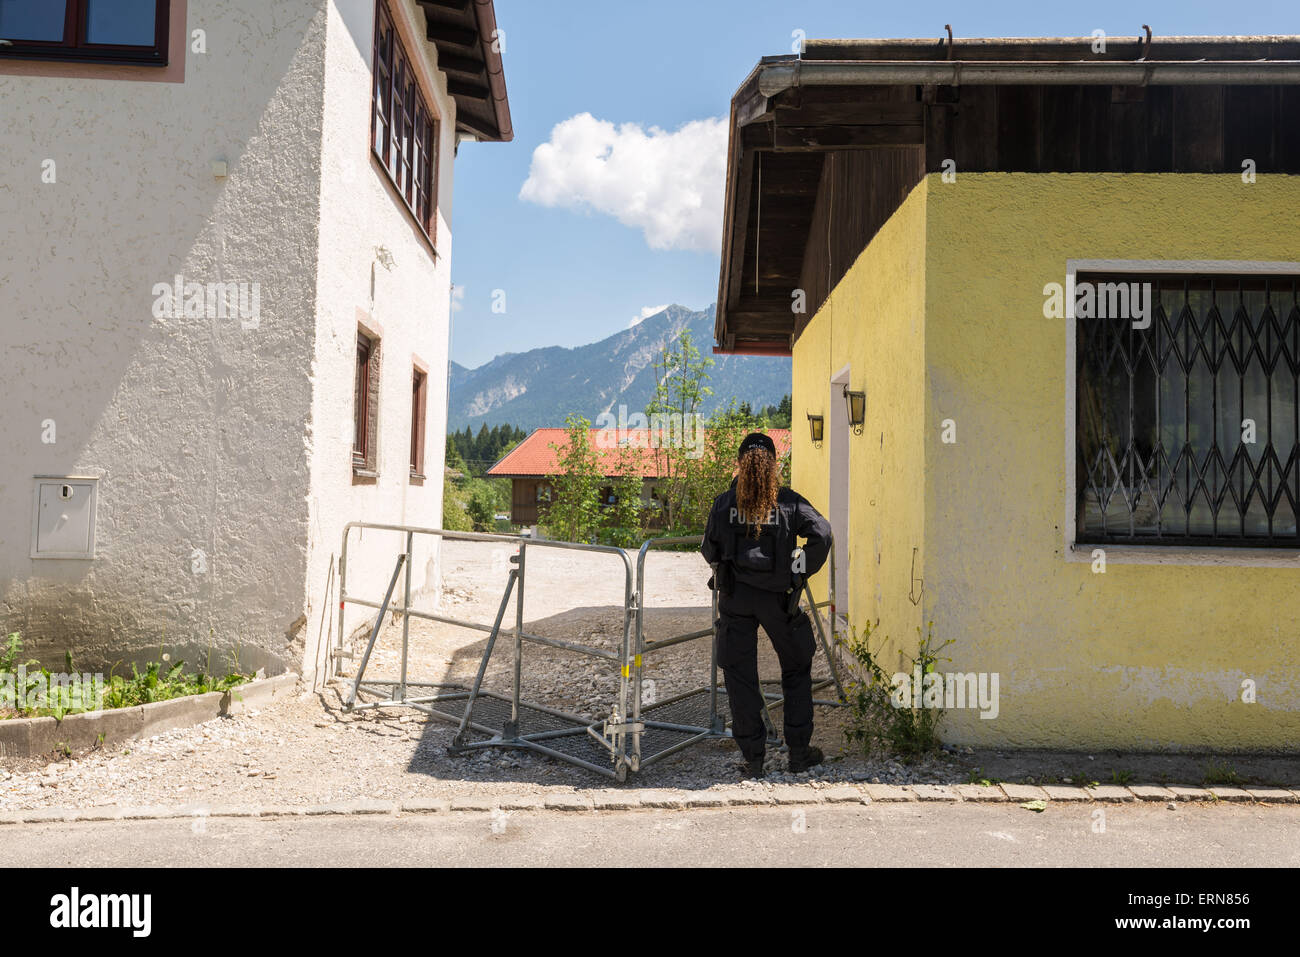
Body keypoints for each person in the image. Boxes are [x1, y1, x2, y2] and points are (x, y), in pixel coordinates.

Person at [701, 432, 832, 777]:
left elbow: (708, 549)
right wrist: (799, 570)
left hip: (736, 601)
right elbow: (823, 533)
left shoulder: (724, 503)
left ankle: (754, 758)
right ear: (774, 465)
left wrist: (728, 565)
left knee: (740, 676)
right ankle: (799, 754)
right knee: (796, 669)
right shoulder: (788, 502)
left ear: (739, 464)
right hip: (779, 600)